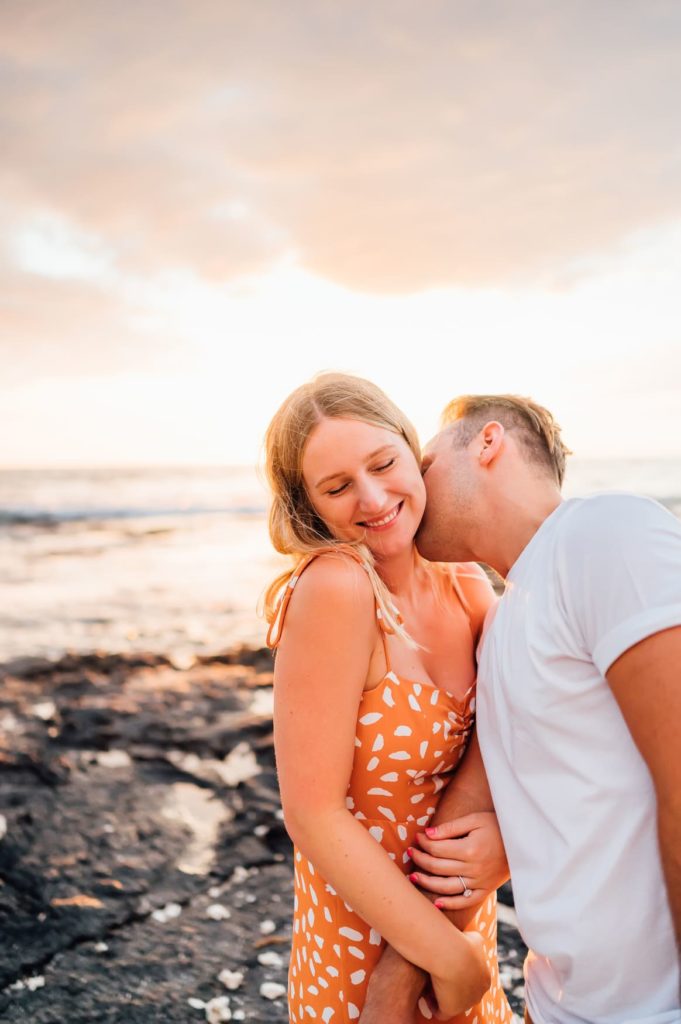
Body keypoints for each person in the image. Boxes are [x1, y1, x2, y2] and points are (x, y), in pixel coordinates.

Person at [363, 393, 681, 1024]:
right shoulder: (502, 623)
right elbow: (469, 810)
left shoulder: (605, 532)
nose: (411, 489)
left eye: (424, 464)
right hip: (555, 1003)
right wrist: (392, 990)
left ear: (487, 442)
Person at [263, 373, 514, 1023]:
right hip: (360, 952)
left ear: (412, 448)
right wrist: (450, 962)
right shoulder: (337, 587)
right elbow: (311, 814)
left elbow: (509, 737)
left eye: (382, 464)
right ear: (308, 506)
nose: (372, 499)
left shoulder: (464, 581)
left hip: (460, 921)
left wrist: (504, 844)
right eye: (337, 487)